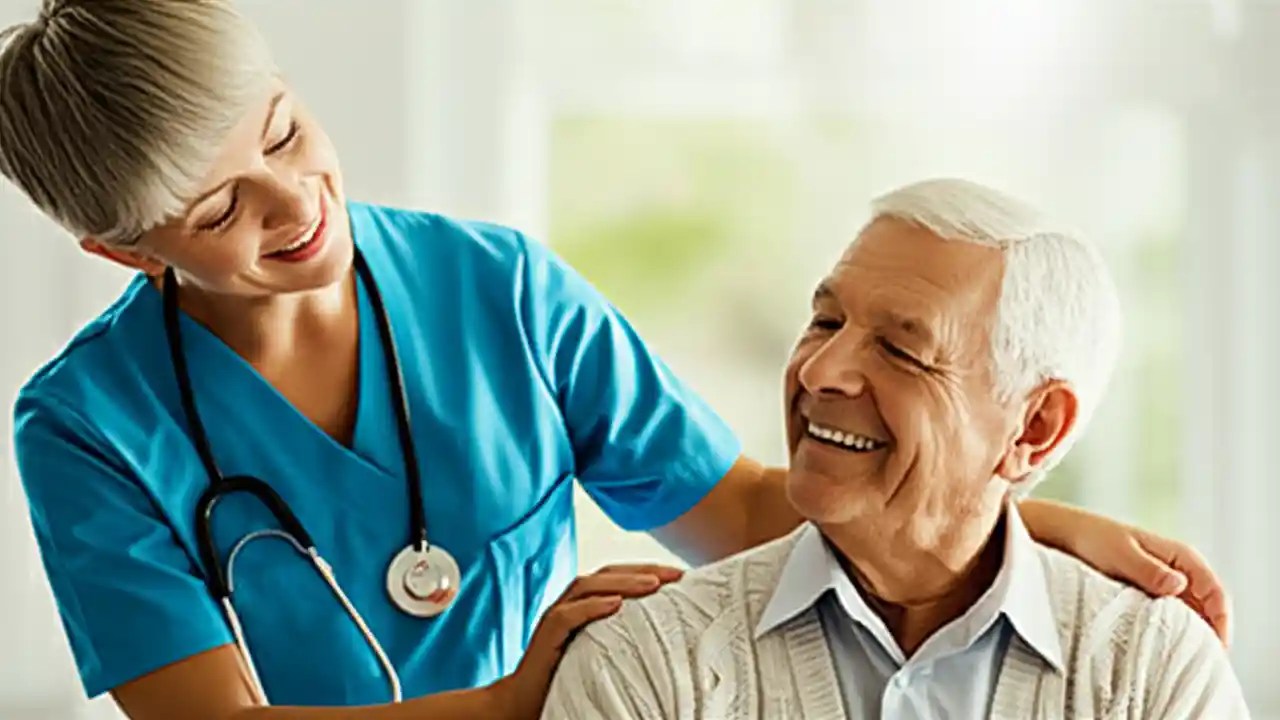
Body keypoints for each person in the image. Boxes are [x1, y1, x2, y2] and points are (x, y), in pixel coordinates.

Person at [0, 3, 1228, 720]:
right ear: (122, 250)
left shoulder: (497, 290)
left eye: (285, 133)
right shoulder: (87, 426)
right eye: (219, 212)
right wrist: (506, 704)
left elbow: (758, 510)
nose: (295, 205)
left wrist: (1021, 523)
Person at [541, 178, 1250, 720]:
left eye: (899, 349)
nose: (821, 372)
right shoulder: (646, 663)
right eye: (825, 320)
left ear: (1035, 430)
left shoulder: (1153, 673)